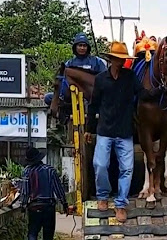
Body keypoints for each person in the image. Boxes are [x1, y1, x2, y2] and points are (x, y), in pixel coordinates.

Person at [86, 41, 144, 223]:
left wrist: (161, 93)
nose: (121, 62)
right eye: (118, 59)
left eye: (123, 59)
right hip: (104, 130)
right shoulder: (101, 79)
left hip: (125, 131)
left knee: (127, 168)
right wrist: (89, 129)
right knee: (100, 165)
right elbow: (93, 105)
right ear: (110, 59)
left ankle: (121, 204)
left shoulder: (130, 76)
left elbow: (142, 93)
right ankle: (102, 196)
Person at [20, 147, 68, 240]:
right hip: (48, 206)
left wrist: (23, 205)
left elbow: (25, 192)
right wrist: (64, 204)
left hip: (34, 206)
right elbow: (59, 189)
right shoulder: (50, 170)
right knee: (48, 234)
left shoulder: (26, 172)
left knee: (32, 232)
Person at [44, 32, 106, 107]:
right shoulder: (69, 64)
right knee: (48, 97)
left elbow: (105, 79)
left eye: (84, 46)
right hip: (72, 96)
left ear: (88, 47)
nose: (82, 48)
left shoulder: (97, 62)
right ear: (75, 47)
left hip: (92, 96)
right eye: (80, 45)